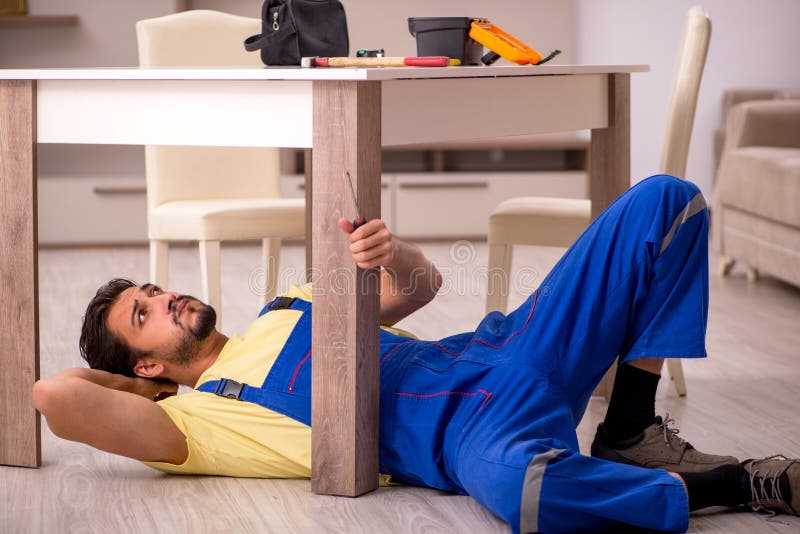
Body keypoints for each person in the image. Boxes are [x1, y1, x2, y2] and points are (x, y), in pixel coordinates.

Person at [34, 175, 799, 533]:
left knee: (667, 202)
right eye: (144, 314)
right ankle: (736, 484)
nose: (167, 298)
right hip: (470, 436)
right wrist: (151, 391)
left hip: (507, 350)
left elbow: (423, 287)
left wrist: (391, 251)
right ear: (144, 367)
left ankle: (628, 427)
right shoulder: (196, 425)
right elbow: (57, 398)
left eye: (156, 289)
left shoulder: (288, 303)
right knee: (525, 496)